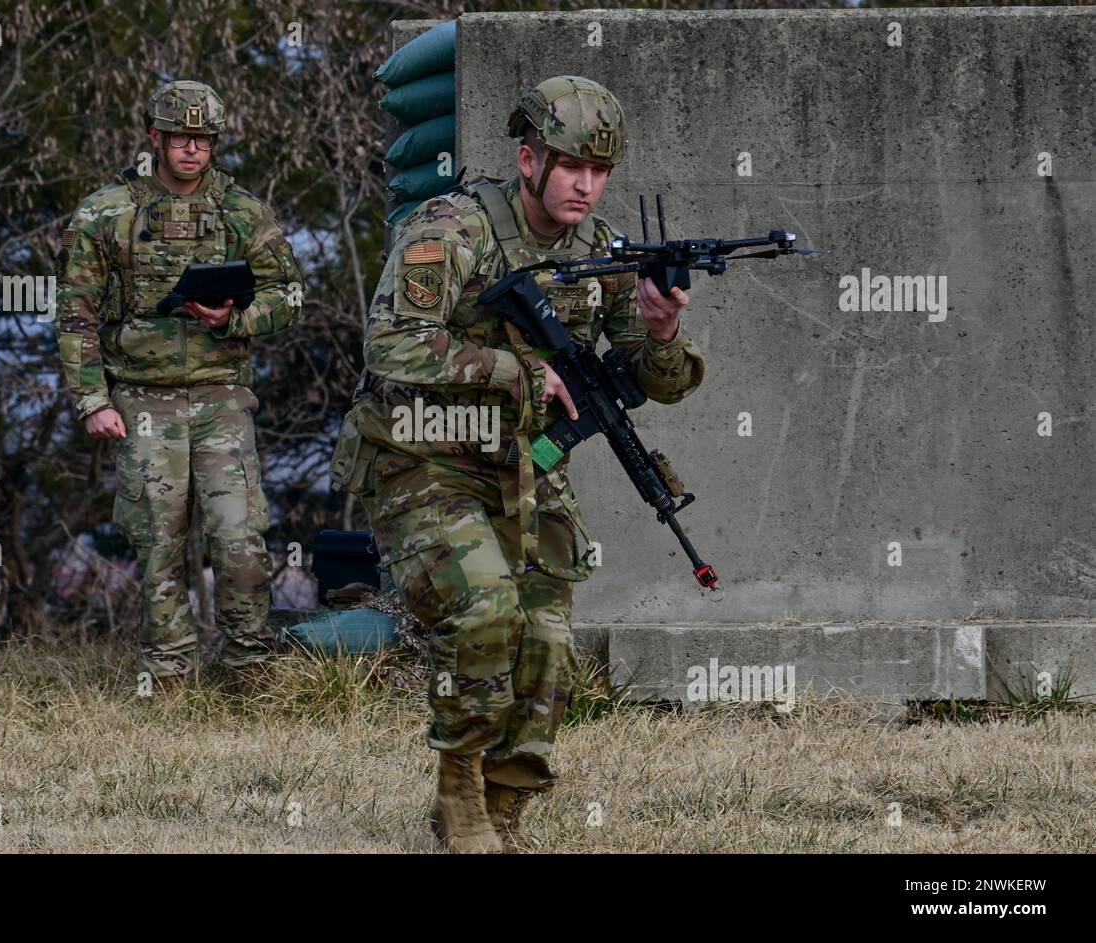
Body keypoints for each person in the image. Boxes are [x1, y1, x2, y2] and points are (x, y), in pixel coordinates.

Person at [330, 76, 706, 852]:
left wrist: (661, 330)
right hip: (420, 453)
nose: (586, 184)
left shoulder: (599, 253)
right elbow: (392, 343)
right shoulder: (452, 227)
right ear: (529, 158)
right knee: (485, 608)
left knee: (546, 636)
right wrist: (517, 373)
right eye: (571, 166)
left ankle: (506, 806)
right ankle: (460, 788)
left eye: (600, 172)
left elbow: (654, 384)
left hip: (522, 463)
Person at [54, 80, 302, 683]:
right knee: (158, 543)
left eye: (204, 139)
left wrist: (237, 317)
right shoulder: (107, 212)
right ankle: (166, 677)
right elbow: (76, 312)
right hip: (141, 398)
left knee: (238, 538)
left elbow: (291, 293)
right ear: (155, 138)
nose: (193, 150)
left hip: (222, 398)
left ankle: (249, 671)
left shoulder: (242, 211)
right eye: (181, 138)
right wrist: (92, 399)